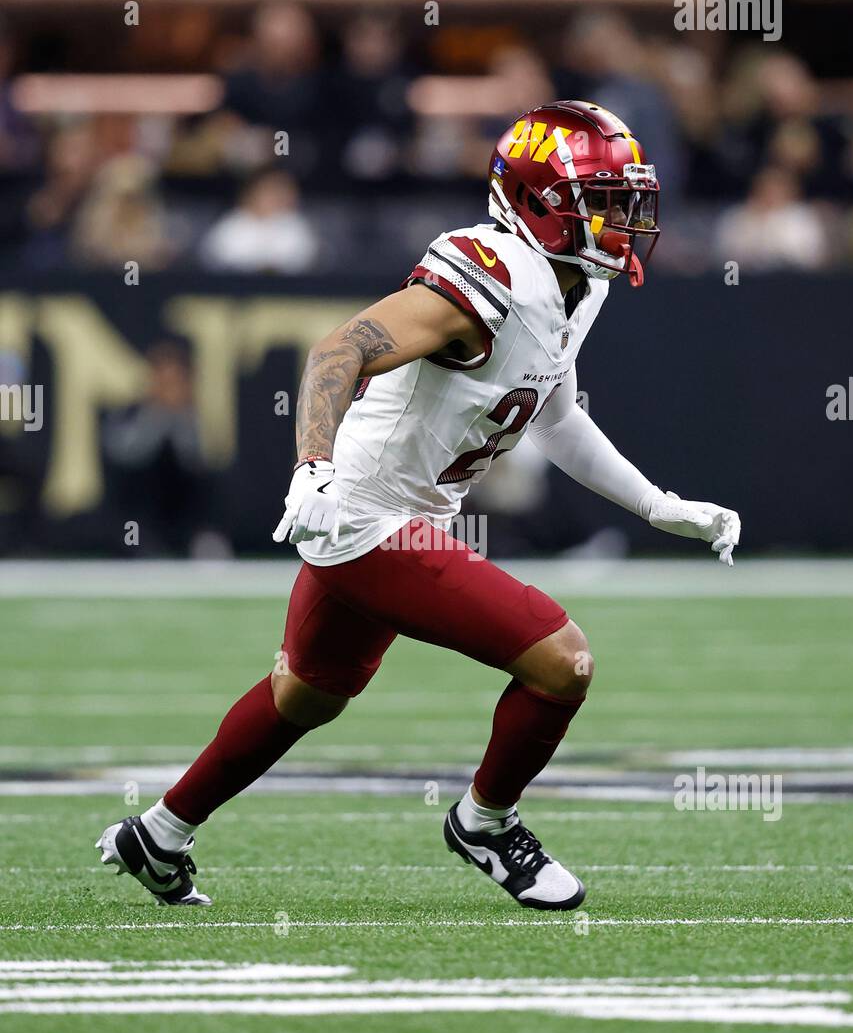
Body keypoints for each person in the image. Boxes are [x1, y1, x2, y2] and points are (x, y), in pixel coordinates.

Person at [96, 100, 740, 911]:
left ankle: (157, 832)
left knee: (306, 695)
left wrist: (656, 505)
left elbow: (558, 415)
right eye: (606, 203)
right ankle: (486, 822)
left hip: (406, 513)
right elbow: (342, 347)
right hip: (361, 514)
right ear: (542, 204)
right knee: (561, 661)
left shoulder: (577, 287)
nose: (625, 223)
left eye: (627, 203)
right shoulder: (493, 272)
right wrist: (313, 469)